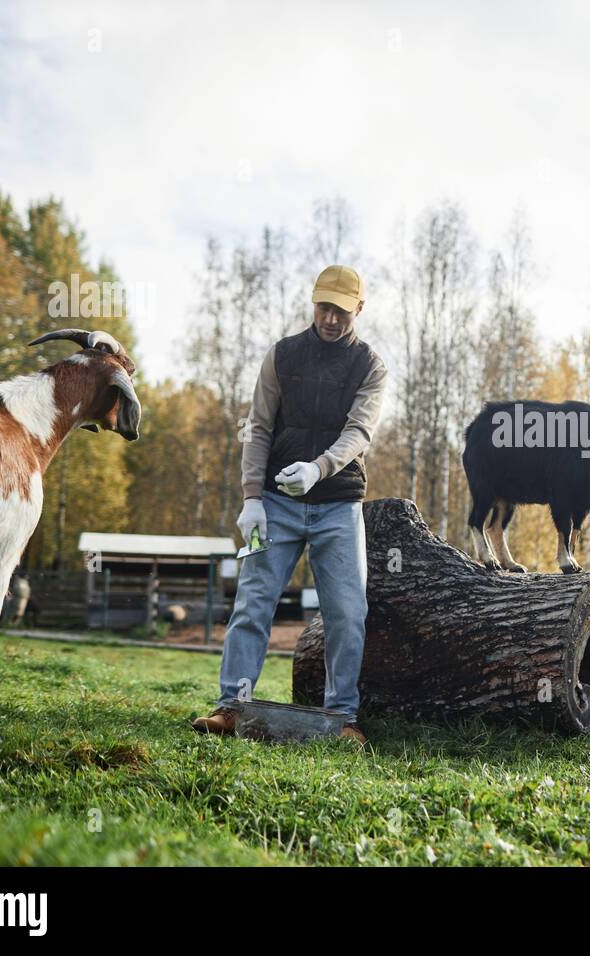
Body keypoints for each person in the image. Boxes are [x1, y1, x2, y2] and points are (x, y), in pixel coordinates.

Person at [191, 264, 387, 743]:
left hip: (339, 504)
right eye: (324, 307)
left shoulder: (370, 367)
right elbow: (258, 427)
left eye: (342, 311)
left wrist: (319, 468)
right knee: (253, 603)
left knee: (346, 611)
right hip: (276, 505)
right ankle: (232, 707)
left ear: (358, 309)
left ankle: (342, 718)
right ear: (313, 302)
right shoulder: (281, 356)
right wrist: (252, 498)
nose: (331, 319)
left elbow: (358, 433)